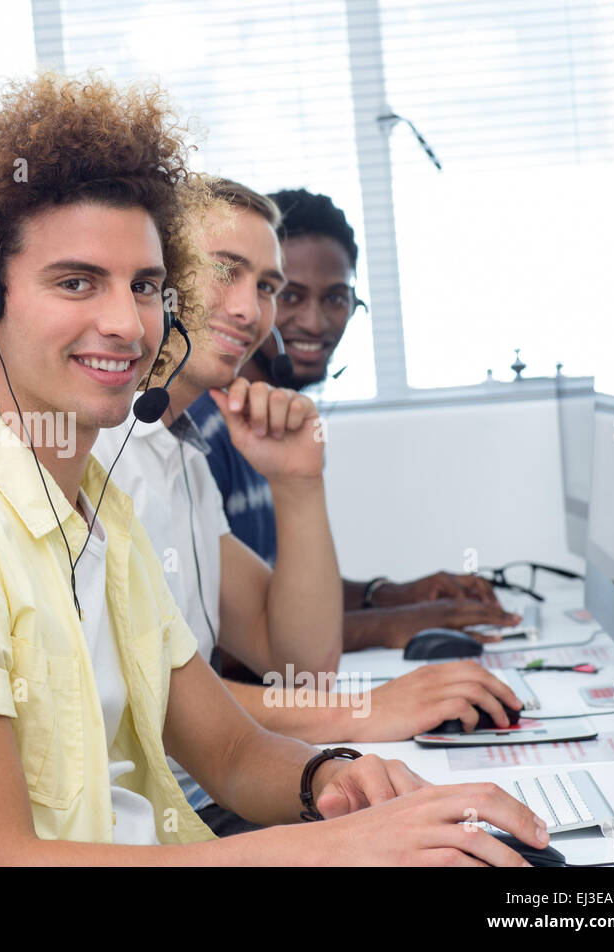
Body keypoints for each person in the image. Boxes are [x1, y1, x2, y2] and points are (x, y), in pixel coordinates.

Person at [0, 72, 550, 864]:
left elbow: (231, 753)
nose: (125, 323)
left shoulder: (97, 511)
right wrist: (333, 850)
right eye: (76, 282)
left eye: (146, 287)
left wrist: (348, 780)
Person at [91, 178, 524, 835]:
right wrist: (364, 711)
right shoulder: (104, 457)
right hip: (168, 821)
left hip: (208, 803)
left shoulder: (173, 453)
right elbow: (149, 702)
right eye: (225, 273)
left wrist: (299, 485)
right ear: (155, 279)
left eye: (265, 285)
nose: (249, 310)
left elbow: (296, 659)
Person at [189, 188, 521, 653]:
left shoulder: (269, 422)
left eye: (336, 298)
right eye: (289, 295)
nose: (316, 322)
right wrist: (391, 625)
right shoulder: (198, 429)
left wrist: (387, 596)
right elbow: (222, 639)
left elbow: (275, 594)